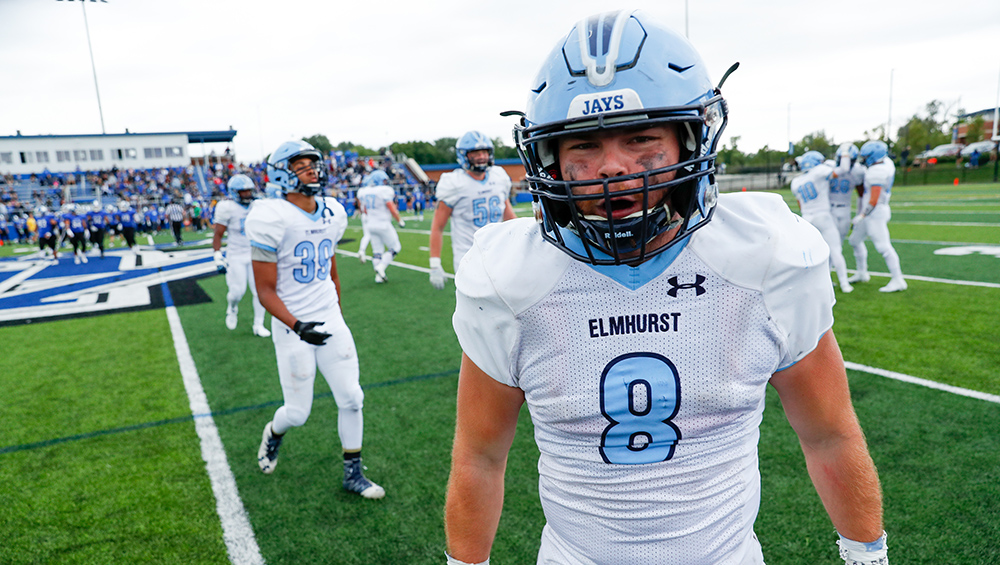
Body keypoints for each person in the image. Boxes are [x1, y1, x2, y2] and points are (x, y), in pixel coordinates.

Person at [443, 10, 887, 565]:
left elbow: (829, 433)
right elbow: (480, 456)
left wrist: (867, 554)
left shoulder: (764, 257)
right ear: (550, 159)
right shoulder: (510, 278)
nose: (613, 168)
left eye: (641, 138)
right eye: (583, 145)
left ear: (689, 139)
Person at [245, 140, 384, 499]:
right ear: (280, 174)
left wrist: (336, 308)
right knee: (297, 412)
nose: (310, 169)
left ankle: (353, 473)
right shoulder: (269, 216)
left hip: (329, 318)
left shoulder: (332, 211)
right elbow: (264, 291)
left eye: (312, 163)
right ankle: (273, 434)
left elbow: (331, 268)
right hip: (293, 326)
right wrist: (296, 325)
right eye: (299, 165)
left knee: (353, 397)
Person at [428, 131, 516, 290]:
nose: (482, 156)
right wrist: (435, 263)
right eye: (476, 153)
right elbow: (438, 226)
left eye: (485, 152)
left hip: (499, 254)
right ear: (464, 155)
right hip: (469, 259)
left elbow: (508, 213)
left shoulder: (499, 176)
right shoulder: (453, 183)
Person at [212, 174, 270, 337]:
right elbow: (218, 234)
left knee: (260, 291)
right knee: (237, 291)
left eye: (249, 191)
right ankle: (232, 307)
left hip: (256, 253)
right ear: (234, 192)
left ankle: (258, 324)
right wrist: (217, 255)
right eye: (243, 191)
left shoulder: (258, 205)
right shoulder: (226, 207)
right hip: (236, 254)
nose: (247, 194)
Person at [848, 140, 907, 292]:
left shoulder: (877, 171)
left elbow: (874, 199)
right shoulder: (886, 163)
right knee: (854, 240)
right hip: (874, 211)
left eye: (866, 157)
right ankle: (862, 273)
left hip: (875, 212)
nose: (864, 160)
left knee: (883, 247)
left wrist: (861, 215)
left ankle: (898, 279)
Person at [791, 151, 852, 293]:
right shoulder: (819, 171)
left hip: (807, 218)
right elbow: (843, 170)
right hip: (822, 215)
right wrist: (845, 153)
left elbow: (800, 203)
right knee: (835, 250)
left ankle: (814, 282)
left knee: (811, 253)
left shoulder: (796, 181)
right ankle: (844, 284)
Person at [356, 169, 405, 283]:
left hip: (370, 224)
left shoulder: (364, 191)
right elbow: (390, 206)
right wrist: (399, 220)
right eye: (383, 180)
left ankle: (378, 277)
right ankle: (381, 267)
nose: (384, 182)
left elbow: (364, 210)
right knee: (395, 247)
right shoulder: (384, 191)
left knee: (377, 251)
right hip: (383, 223)